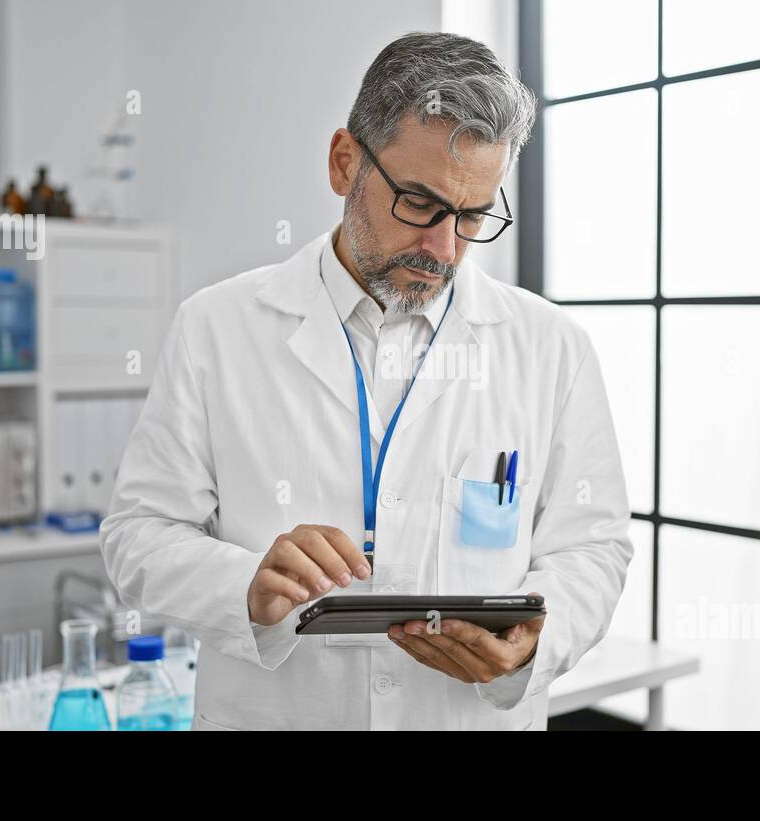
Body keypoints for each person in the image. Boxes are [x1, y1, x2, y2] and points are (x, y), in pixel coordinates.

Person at [100, 31, 632, 730]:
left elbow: (594, 545)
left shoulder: (551, 348)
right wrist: (243, 584)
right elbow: (137, 534)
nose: (444, 250)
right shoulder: (218, 328)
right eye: (419, 202)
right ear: (344, 161)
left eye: (472, 216)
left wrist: (539, 636)